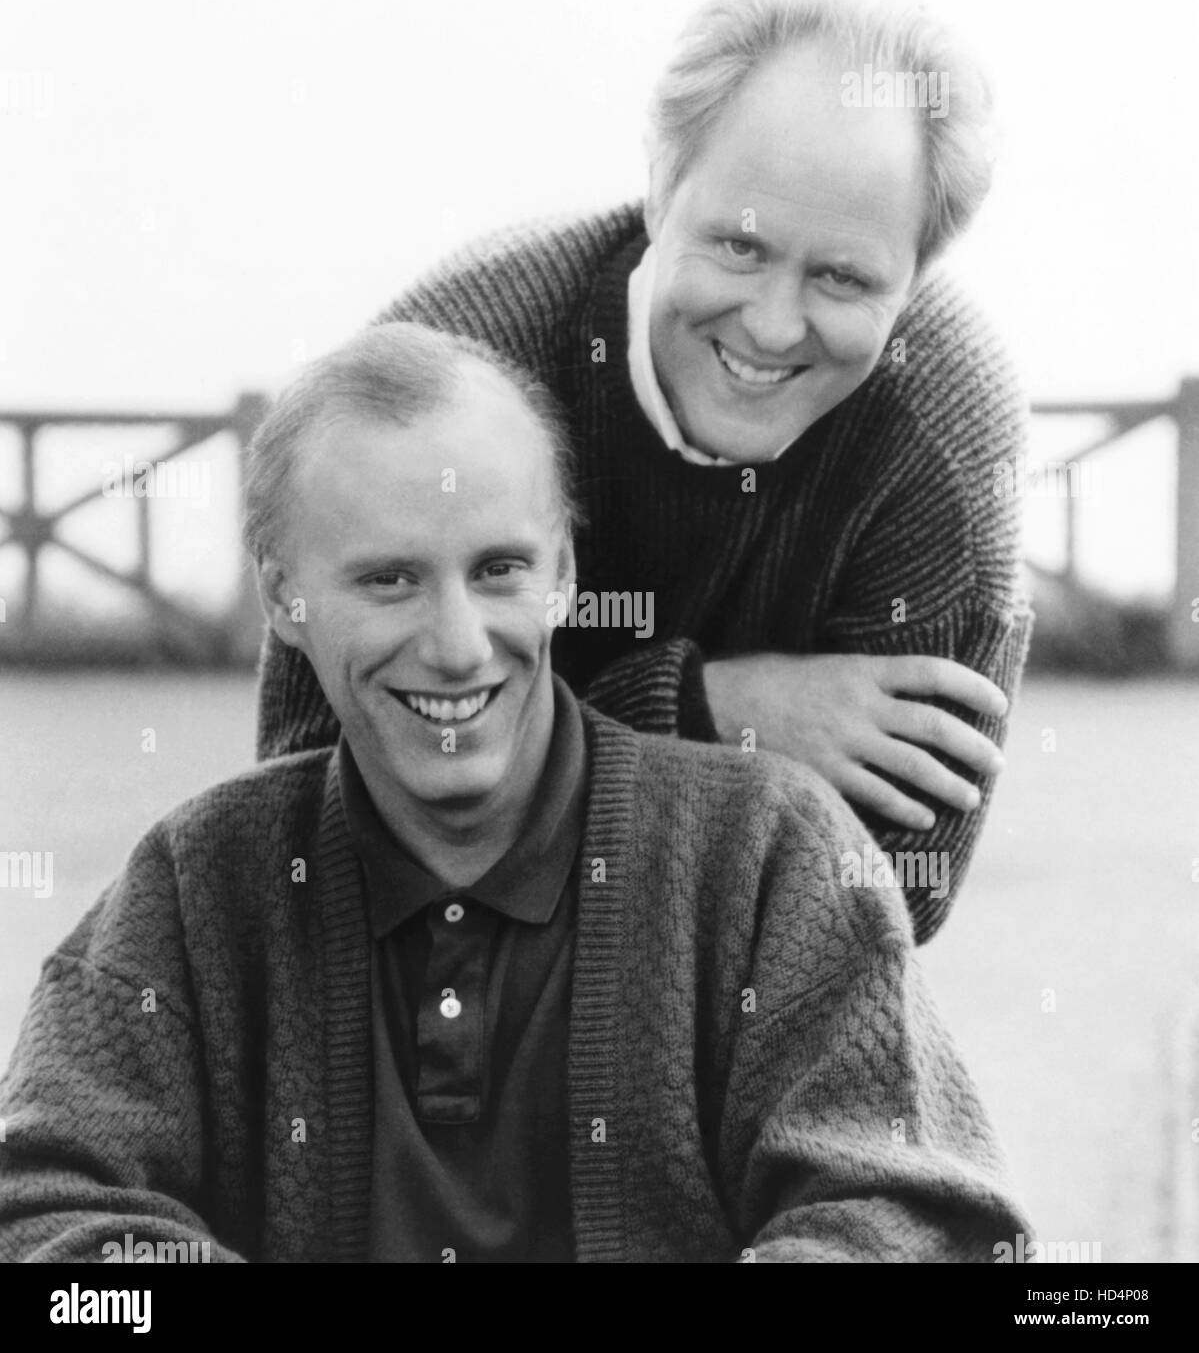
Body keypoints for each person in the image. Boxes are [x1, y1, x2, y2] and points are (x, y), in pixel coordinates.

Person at [0, 323, 1028, 1263]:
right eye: (389, 580)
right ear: (283, 595)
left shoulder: (770, 852)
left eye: (497, 569)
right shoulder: (195, 883)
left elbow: (914, 1222)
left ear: (565, 570)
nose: (455, 647)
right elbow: (41, 1223)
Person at [256, 0, 1034, 944]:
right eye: (738, 247)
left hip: (728, 1028)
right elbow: (303, 829)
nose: (772, 323)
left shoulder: (948, 432)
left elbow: (883, 897)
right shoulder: (455, 369)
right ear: (660, 186)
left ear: (916, 273)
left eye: (841, 277)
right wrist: (704, 713)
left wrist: (546, 773)